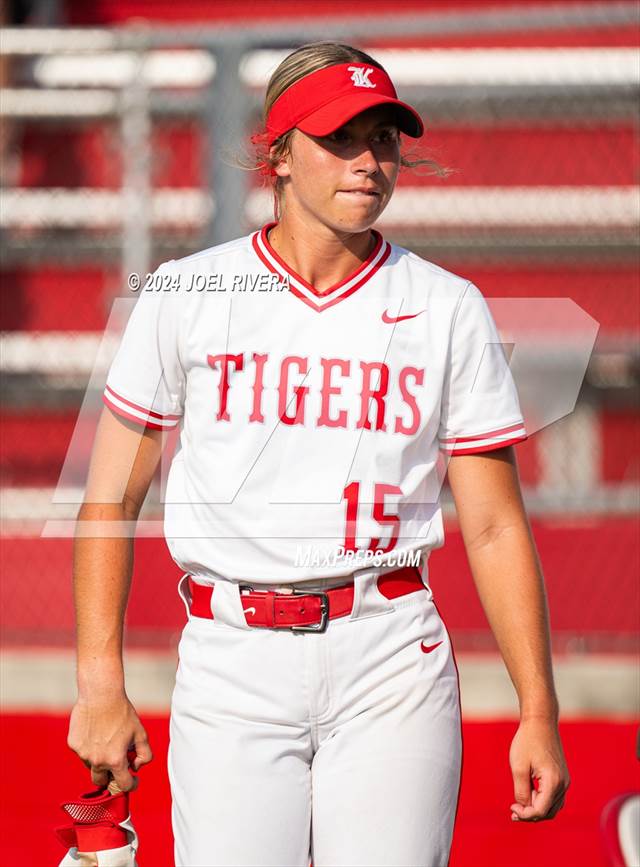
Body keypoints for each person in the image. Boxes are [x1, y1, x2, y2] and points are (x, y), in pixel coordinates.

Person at [68, 41, 570, 867]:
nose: (369, 161)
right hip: (231, 658)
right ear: (280, 155)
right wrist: (98, 685)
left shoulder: (448, 308)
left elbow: (492, 525)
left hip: (390, 656)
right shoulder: (185, 296)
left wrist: (537, 708)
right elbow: (108, 501)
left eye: (383, 137)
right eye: (340, 138)